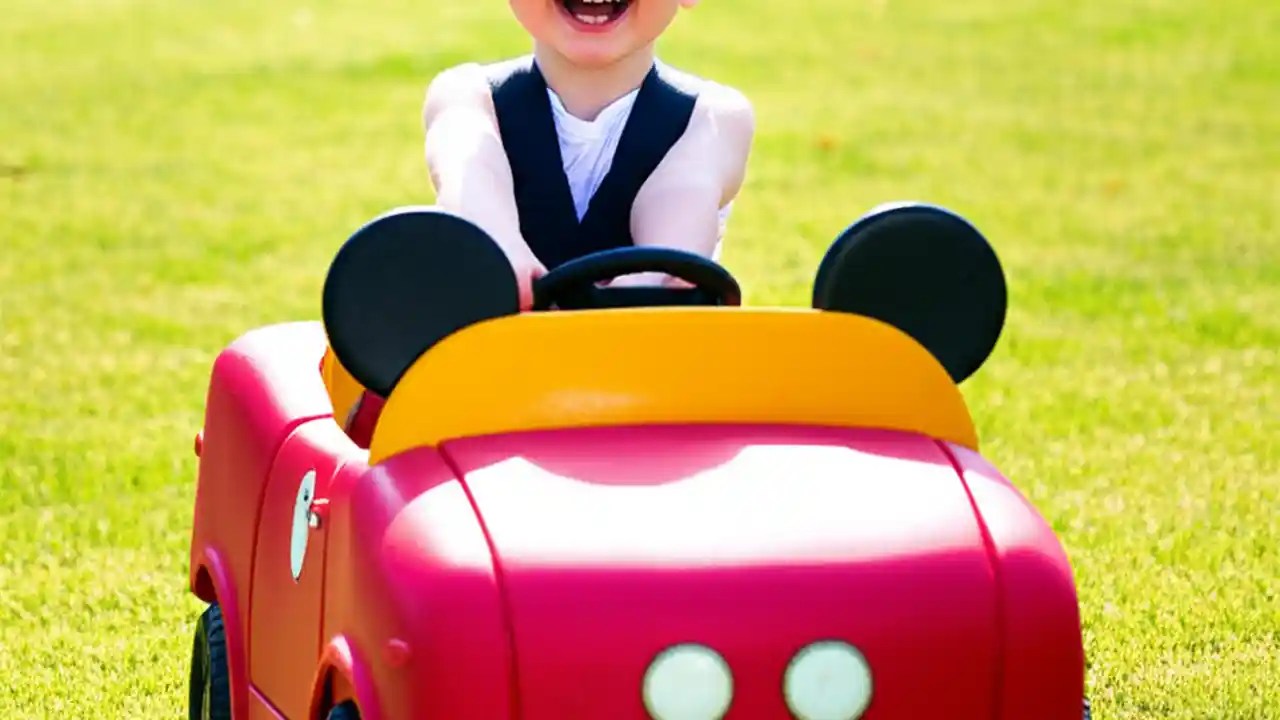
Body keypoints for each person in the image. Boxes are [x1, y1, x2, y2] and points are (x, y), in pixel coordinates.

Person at [422, 0, 756, 310]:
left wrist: (650, 278)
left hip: (645, 360)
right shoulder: (468, 98)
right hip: (498, 363)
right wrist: (499, 245)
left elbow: (682, 194)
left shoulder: (712, 118)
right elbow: (470, 167)